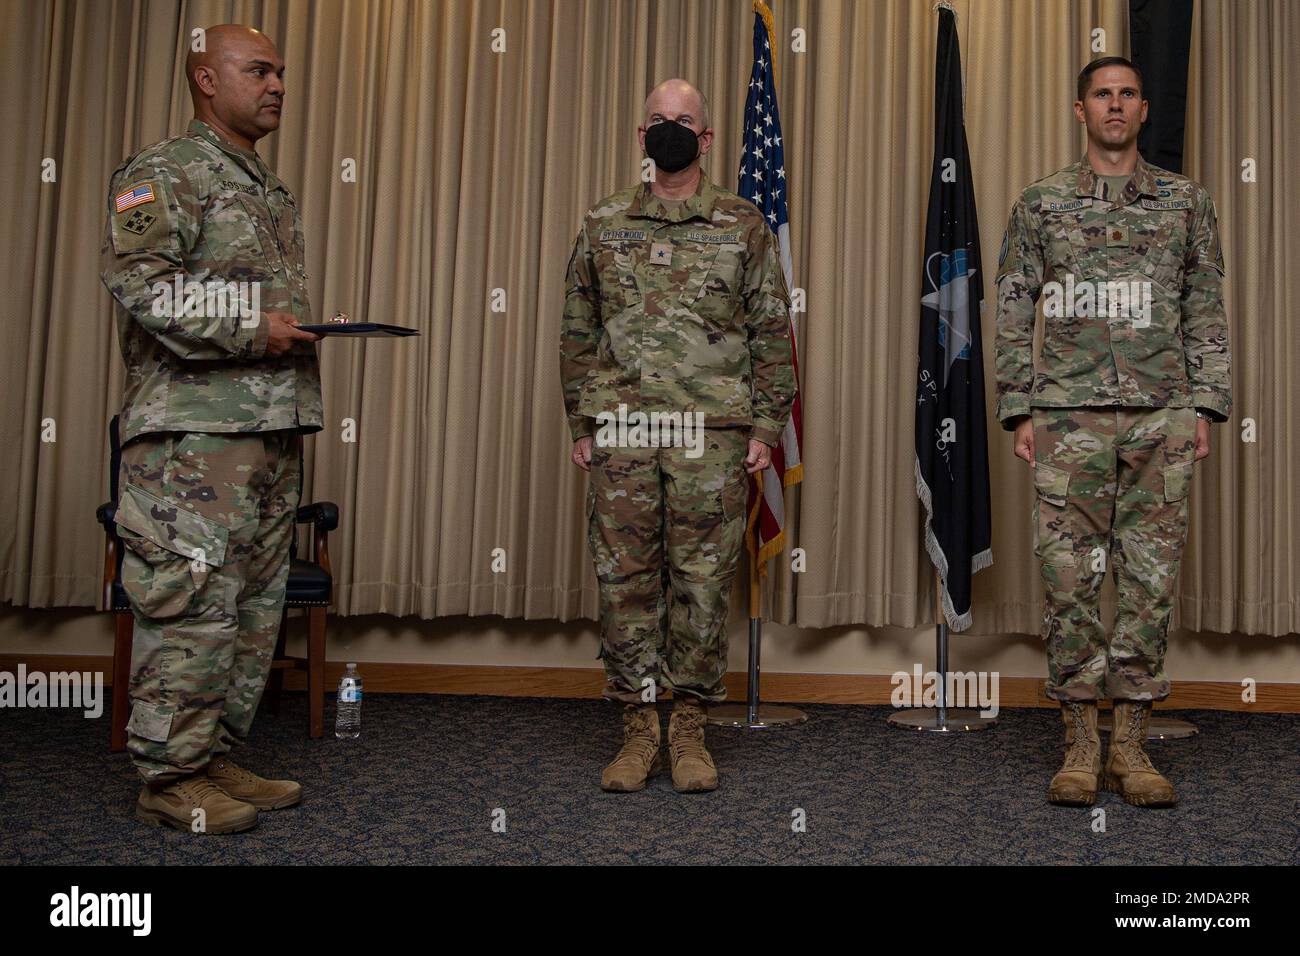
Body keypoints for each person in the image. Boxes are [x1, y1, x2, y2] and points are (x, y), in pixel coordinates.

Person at [100, 24, 323, 833]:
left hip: (267, 430)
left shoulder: (267, 187)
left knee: (253, 606)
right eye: (258, 70)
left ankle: (213, 752)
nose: (277, 85)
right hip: (193, 438)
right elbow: (144, 288)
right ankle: (167, 776)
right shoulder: (162, 172)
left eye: (282, 73)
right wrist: (254, 328)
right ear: (205, 77)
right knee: (190, 602)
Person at [994, 56, 1231, 808]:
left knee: (1149, 585)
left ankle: (1131, 741)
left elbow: (1204, 308)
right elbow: (1010, 306)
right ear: (1080, 109)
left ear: (1143, 109)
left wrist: (1207, 405)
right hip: (1068, 419)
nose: (1117, 105)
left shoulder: (1186, 203)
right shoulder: (1041, 204)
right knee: (1069, 582)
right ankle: (1078, 742)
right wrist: (1020, 406)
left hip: (1163, 415)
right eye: (1103, 94)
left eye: (1129, 93)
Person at [561, 79, 795, 793]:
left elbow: (771, 330)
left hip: (711, 434)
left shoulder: (741, 223)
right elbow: (577, 327)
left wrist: (766, 425)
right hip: (624, 431)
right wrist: (582, 421)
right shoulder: (604, 222)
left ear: (707, 137)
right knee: (624, 581)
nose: (671, 130)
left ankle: (689, 728)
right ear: (642, 137)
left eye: (684, 121)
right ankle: (637, 729)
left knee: (701, 584)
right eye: (658, 121)